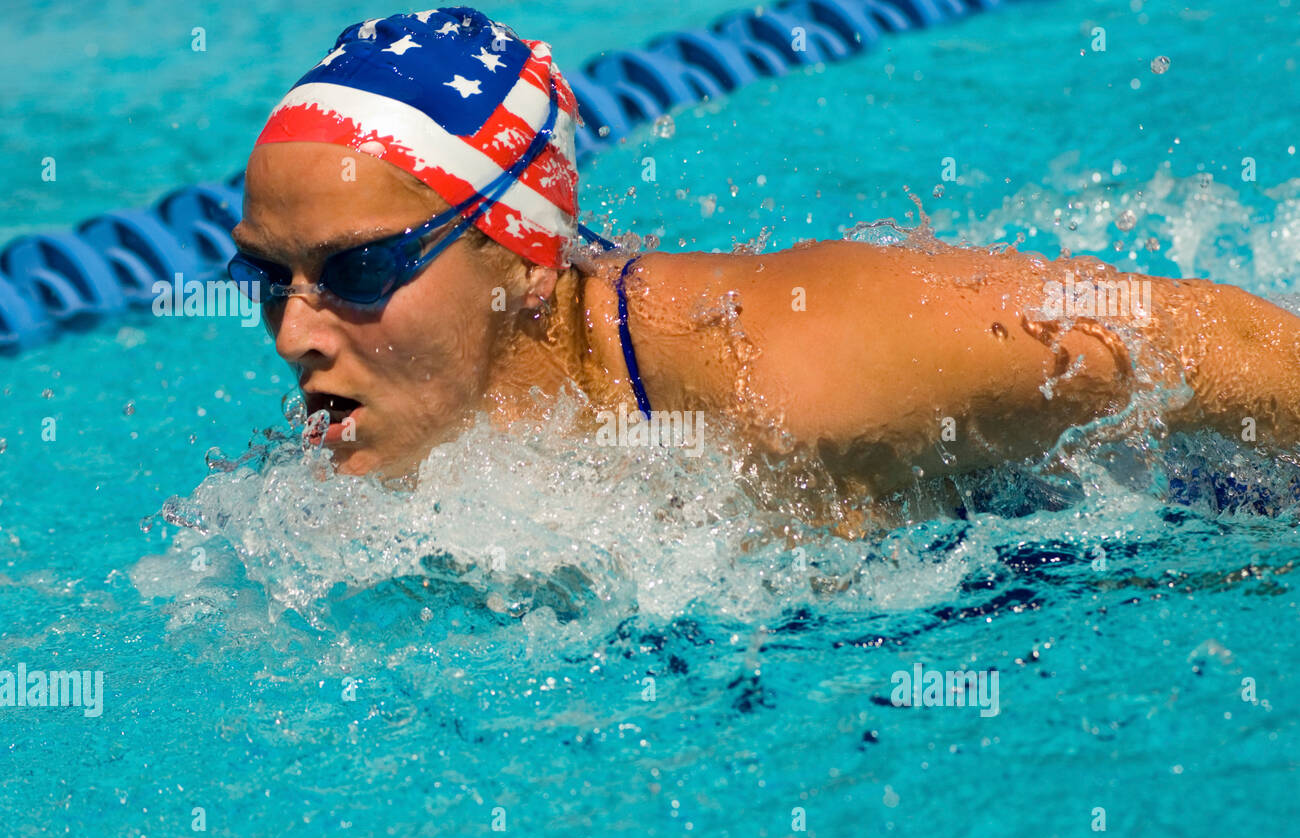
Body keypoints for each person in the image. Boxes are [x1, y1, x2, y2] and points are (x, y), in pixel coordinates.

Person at [230, 7, 1300, 501]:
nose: (294, 332)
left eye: (359, 271)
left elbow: (1227, 341)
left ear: (523, 258)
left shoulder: (801, 360)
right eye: (268, 278)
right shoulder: (365, 451)